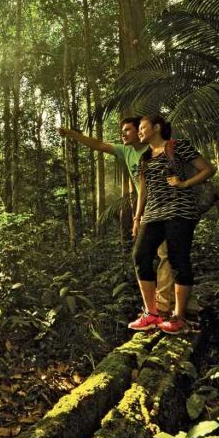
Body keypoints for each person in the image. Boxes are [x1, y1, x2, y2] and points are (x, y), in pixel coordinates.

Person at [58, 118, 175, 315]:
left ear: (140, 130)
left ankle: (166, 307)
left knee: (167, 255)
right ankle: (162, 307)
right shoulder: (126, 150)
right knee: (146, 255)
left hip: (167, 207)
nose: (123, 134)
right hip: (147, 208)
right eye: (122, 130)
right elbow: (98, 145)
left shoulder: (157, 149)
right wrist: (72, 134)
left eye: (128, 130)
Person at [128, 115, 215, 334]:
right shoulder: (145, 157)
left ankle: (179, 317)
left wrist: (185, 183)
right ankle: (152, 313)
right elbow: (143, 191)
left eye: (142, 128)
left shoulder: (177, 147)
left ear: (157, 127)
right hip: (153, 213)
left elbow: (207, 169)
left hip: (179, 211)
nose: (139, 132)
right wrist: (138, 218)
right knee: (140, 256)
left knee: (178, 260)